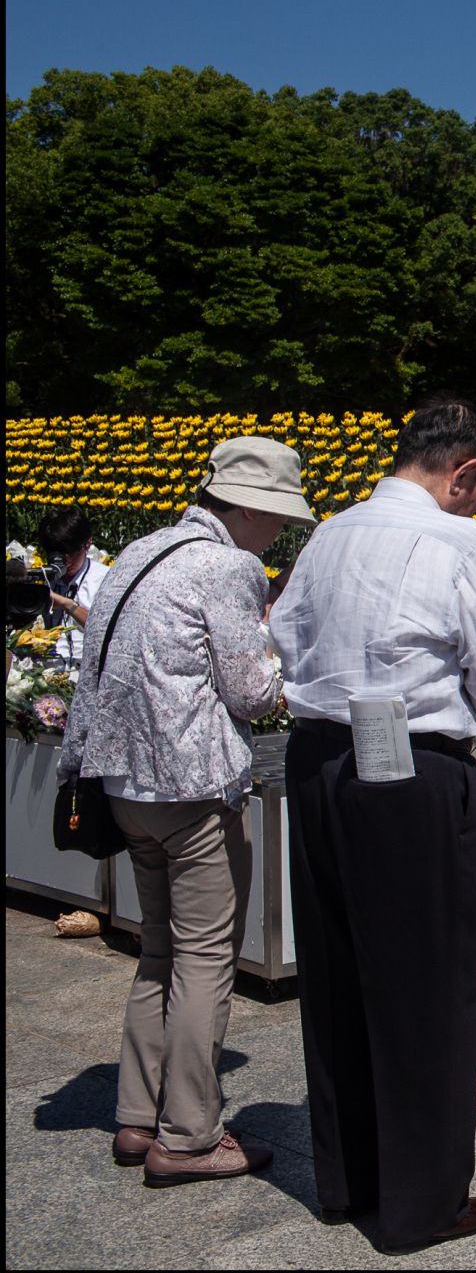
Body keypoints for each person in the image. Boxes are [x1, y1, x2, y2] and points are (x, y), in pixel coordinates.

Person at [270, 395, 476, 1254]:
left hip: (317, 762)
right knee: (427, 987)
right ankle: (420, 1204)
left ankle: (348, 1181)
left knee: (338, 975)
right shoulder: (461, 543)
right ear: (463, 474)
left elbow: (284, 637)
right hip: (413, 772)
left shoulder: (330, 533)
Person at [57, 437, 314, 1187]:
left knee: (159, 952)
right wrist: (280, 646)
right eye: (276, 517)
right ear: (244, 506)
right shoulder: (230, 565)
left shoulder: (140, 551)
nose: (280, 532)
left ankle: (137, 1116)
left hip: (123, 787)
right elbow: (252, 694)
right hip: (194, 791)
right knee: (205, 959)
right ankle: (191, 1135)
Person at [37, 507, 109, 661]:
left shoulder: (105, 579)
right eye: (57, 553)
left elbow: (108, 631)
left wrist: (68, 605)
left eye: (72, 551)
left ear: (88, 543)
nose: (66, 560)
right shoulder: (40, 577)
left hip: (85, 670)